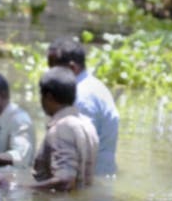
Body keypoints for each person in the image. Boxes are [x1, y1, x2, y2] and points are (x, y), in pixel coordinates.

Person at [47, 37, 119, 175]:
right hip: (102, 174)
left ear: (72, 68)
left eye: (54, 68)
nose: (49, 74)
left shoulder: (81, 97)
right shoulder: (94, 85)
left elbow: (78, 152)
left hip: (89, 180)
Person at [32, 67, 98, 191]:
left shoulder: (61, 128)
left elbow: (65, 182)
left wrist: (18, 187)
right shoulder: (87, 124)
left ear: (48, 97)